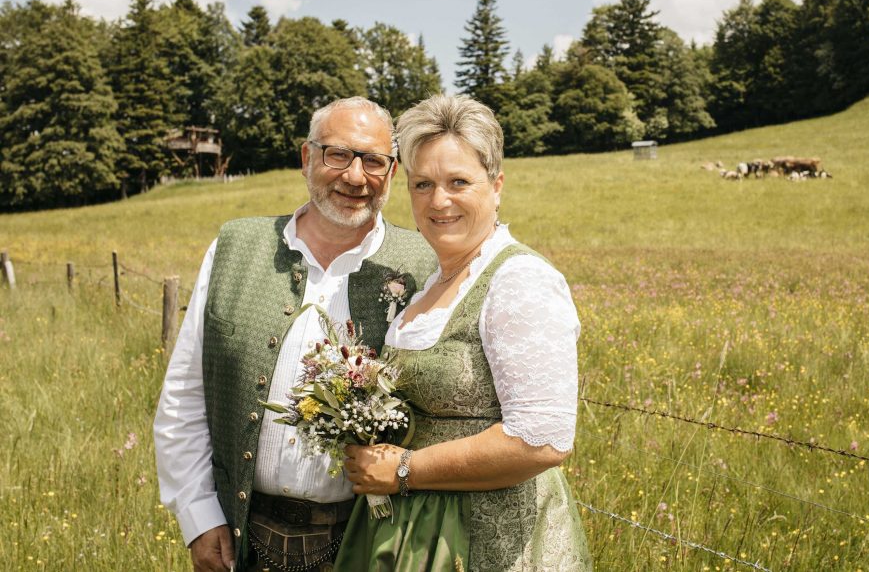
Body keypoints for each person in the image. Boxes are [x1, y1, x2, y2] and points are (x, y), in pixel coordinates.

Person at [154, 97, 437, 572]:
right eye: (337, 154)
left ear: (390, 173)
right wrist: (198, 515)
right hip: (243, 533)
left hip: (375, 541)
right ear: (307, 158)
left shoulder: (423, 264)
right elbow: (186, 395)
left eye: (373, 160)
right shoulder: (234, 247)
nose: (354, 176)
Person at [336, 95, 592, 571]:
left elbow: (542, 440)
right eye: (423, 184)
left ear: (496, 185)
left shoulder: (519, 280)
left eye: (459, 182)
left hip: (493, 544)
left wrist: (405, 469)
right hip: (418, 535)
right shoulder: (430, 286)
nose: (439, 201)